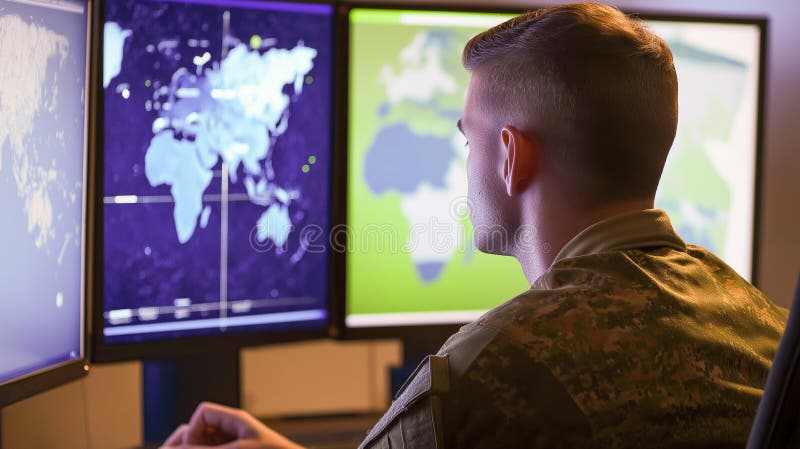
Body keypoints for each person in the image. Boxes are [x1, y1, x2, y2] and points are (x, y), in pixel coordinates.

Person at [161, 3, 788, 448]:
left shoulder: (487, 374)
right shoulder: (764, 328)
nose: (465, 165)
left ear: (512, 158)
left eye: (469, 140)